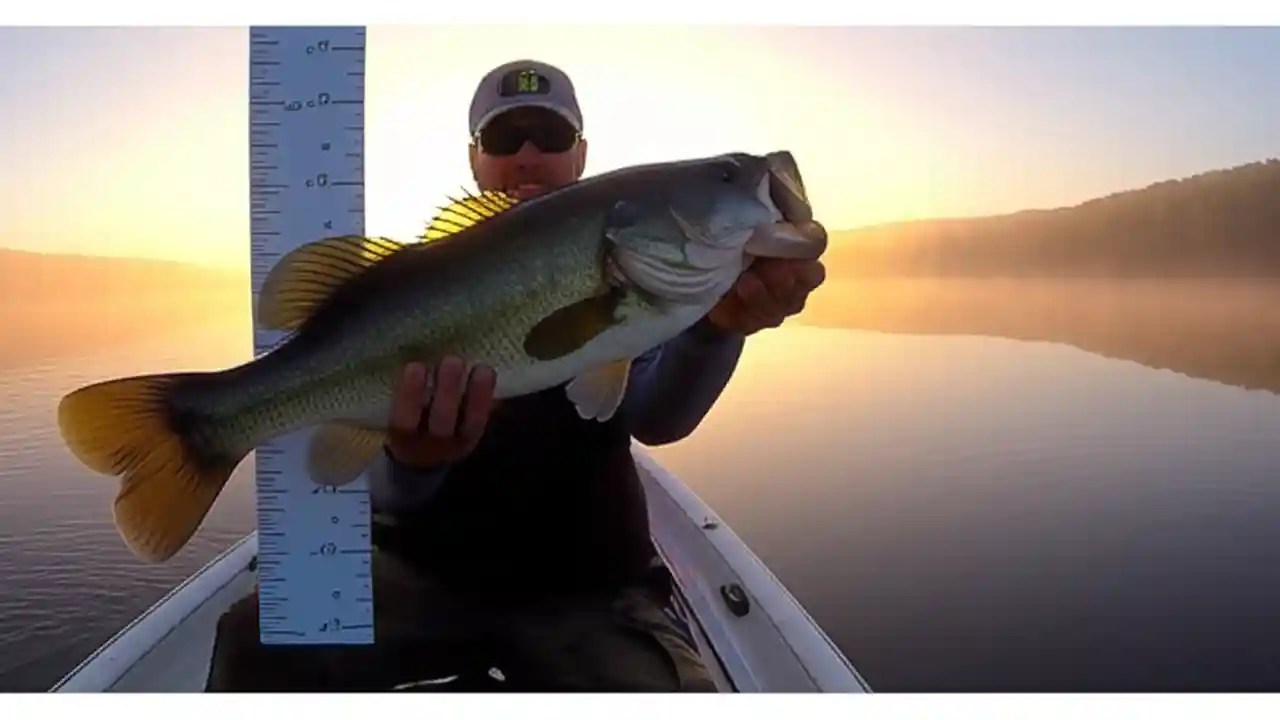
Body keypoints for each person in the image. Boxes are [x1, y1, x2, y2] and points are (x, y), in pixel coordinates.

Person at [205, 59, 827, 693]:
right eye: (504, 139)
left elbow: (659, 415)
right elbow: (370, 482)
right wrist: (416, 463)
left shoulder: (647, 283)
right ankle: (205, 427)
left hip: (590, 594)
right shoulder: (416, 280)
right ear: (475, 161)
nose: (528, 156)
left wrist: (716, 328)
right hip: (419, 577)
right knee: (254, 645)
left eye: (551, 137)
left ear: (581, 154)